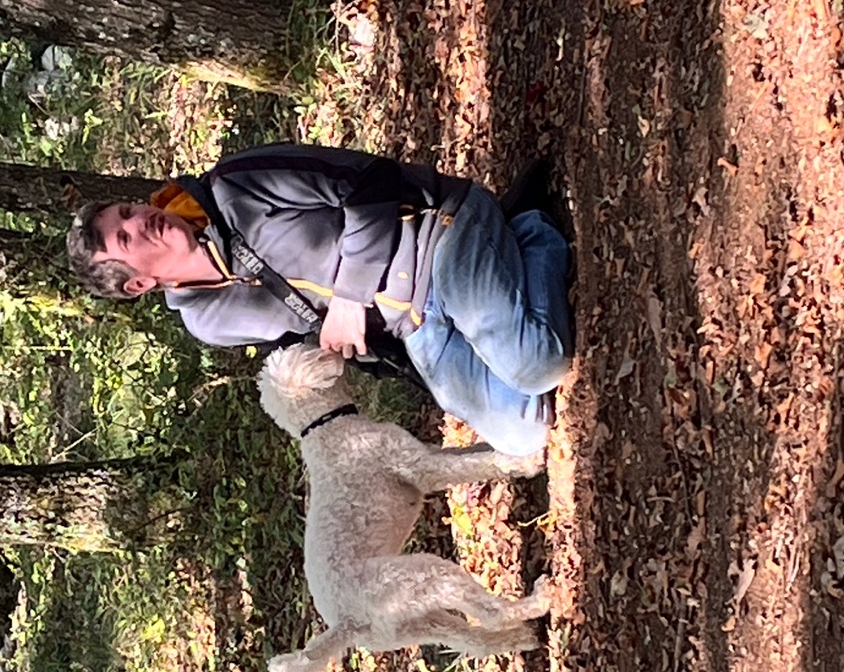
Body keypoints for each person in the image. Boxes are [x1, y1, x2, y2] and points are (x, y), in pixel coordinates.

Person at [66, 144, 572, 455]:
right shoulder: (208, 322)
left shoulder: (236, 183)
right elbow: (308, 337)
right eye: (126, 238)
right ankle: (505, 284)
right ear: (137, 285)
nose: (140, 220)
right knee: (522, 434)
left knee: (538, 367)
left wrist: (351, 295)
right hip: (413, 325)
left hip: (438, 234)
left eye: (128, 211)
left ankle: (531, 234)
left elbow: (375, 178)